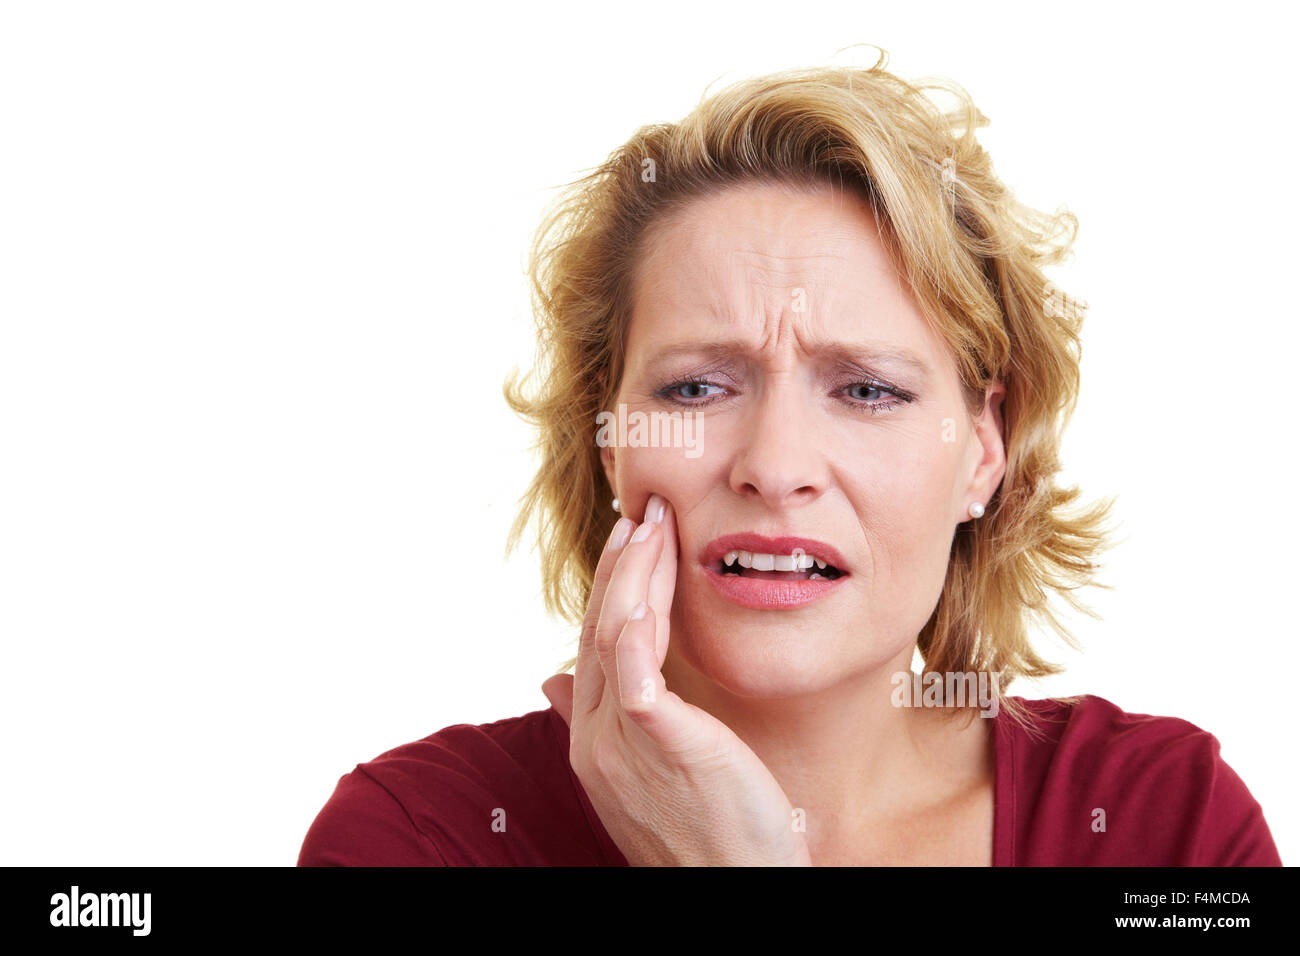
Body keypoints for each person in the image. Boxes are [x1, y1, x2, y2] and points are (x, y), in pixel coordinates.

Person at [298, 55, 1282, 866]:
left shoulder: (1166, 829)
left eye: (866, 390)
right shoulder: (416, 840)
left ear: (980, 451)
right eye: (695, 388)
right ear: (610, 438)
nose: (774, 466)